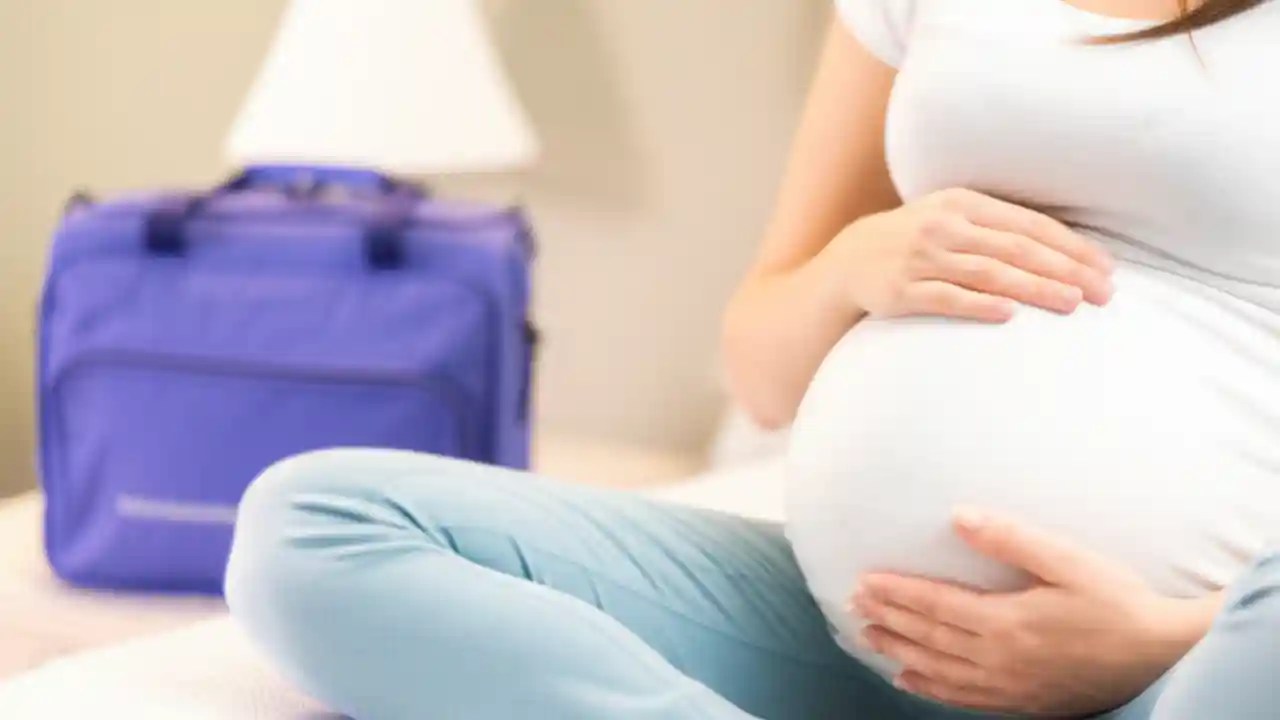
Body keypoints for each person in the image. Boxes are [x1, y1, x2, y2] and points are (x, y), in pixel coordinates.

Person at [224, 1, 1280, 718]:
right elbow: (761, 371)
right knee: (313, 525)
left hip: (1176, 675)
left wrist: (1154, 641)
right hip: (864, 635)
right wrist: (846, 268)